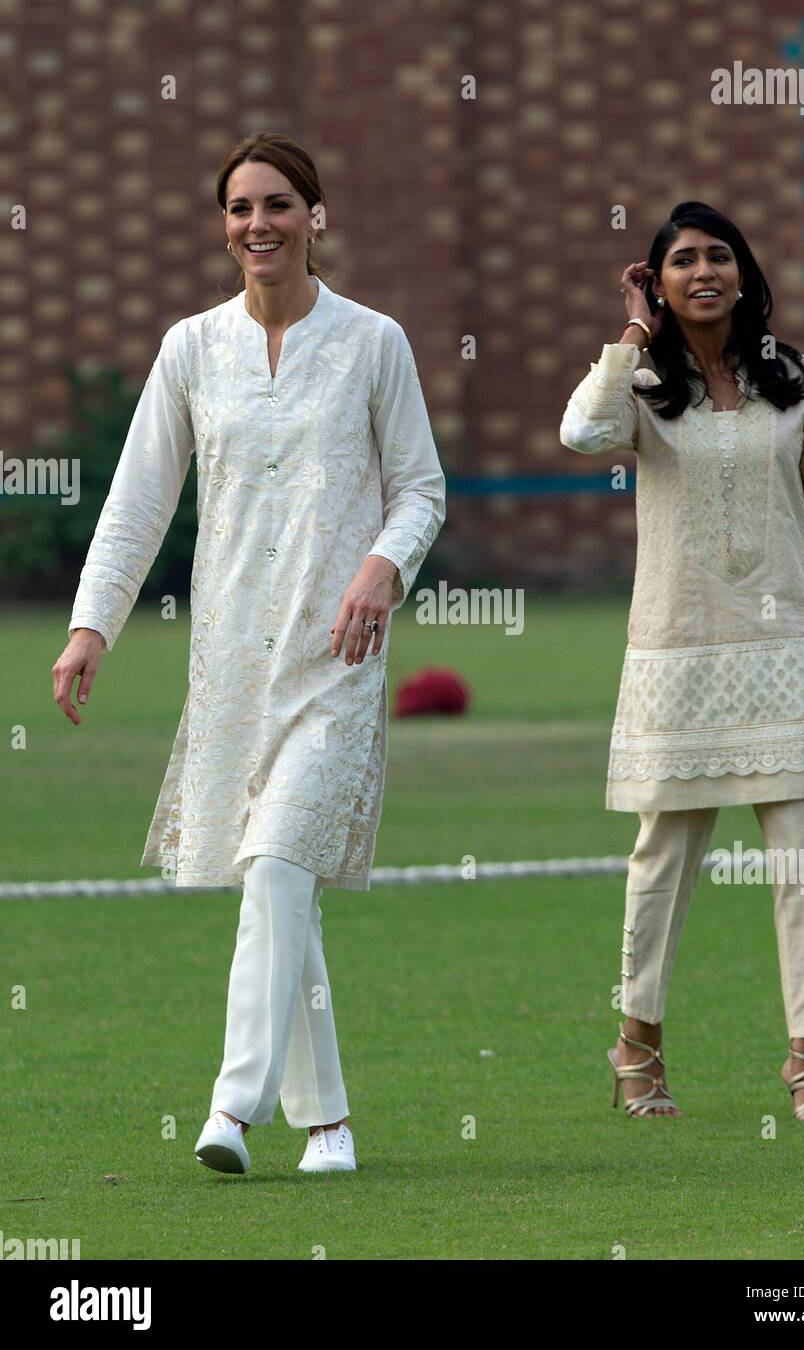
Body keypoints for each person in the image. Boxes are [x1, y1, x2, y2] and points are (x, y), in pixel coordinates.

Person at [52, 132, 446, 1173]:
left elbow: (421, 488)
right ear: (224, 225)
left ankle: (230, 1110)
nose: (258, 224)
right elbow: (139, 502)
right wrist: (94, 624)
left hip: (338, 653)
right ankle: (331, 1123)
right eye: (239, 208)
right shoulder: (192, 347)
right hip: (230, 656)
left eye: (279, 204)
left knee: (276, 862)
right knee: (279, 887)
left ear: (316, 216)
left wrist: (382, 568)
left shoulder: (374, 342)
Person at [560, 201, 804, 1123]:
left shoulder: (797, 379)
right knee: (659, 857)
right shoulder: (640, 383)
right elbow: (580, 433)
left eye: (717, 257)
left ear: (742, 275)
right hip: (680, 650)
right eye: (680, 263)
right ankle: (636, 1046)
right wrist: (629, 331)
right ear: (657, 284)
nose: (701, 272)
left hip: (792, 653)